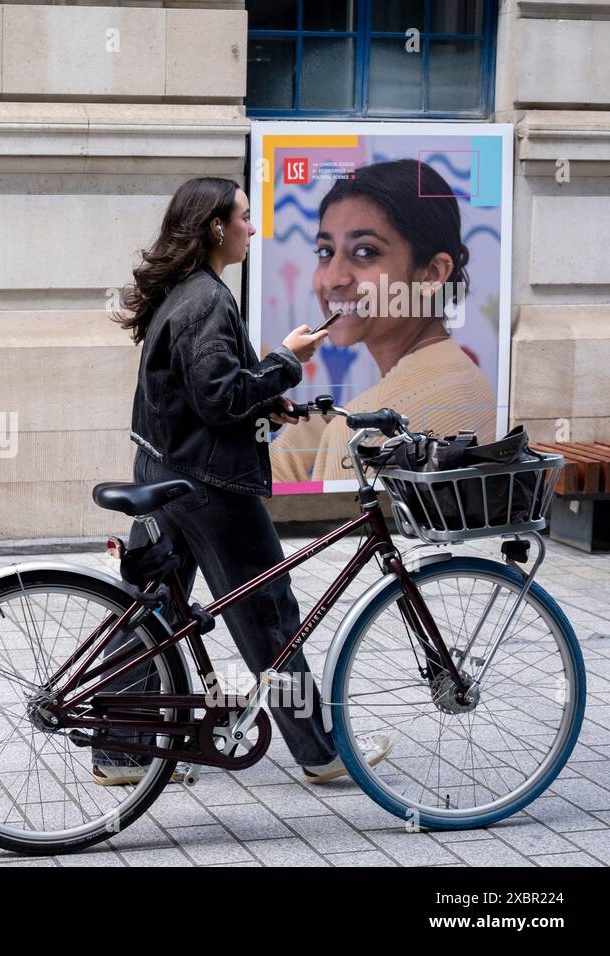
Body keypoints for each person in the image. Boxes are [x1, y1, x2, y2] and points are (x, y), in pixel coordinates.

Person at [98, 176, 394, 786]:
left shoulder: (184, 292)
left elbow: (202, 394)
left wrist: (265, 403)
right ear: (215, 226)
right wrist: (286, 362)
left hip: (166, 469)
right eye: (243, 217)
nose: (252, 227)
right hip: (208, 485)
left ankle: (120, 750)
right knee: (269, 613)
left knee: (151, 612)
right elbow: (218, 396)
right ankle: (318, 751)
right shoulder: (207, 298)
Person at [271, 159, 496, 483]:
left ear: (432, 273)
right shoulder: (464, 378)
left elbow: (341, 525)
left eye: (365, 252)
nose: (332, 278)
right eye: (325, 251)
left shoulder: (364, 429)